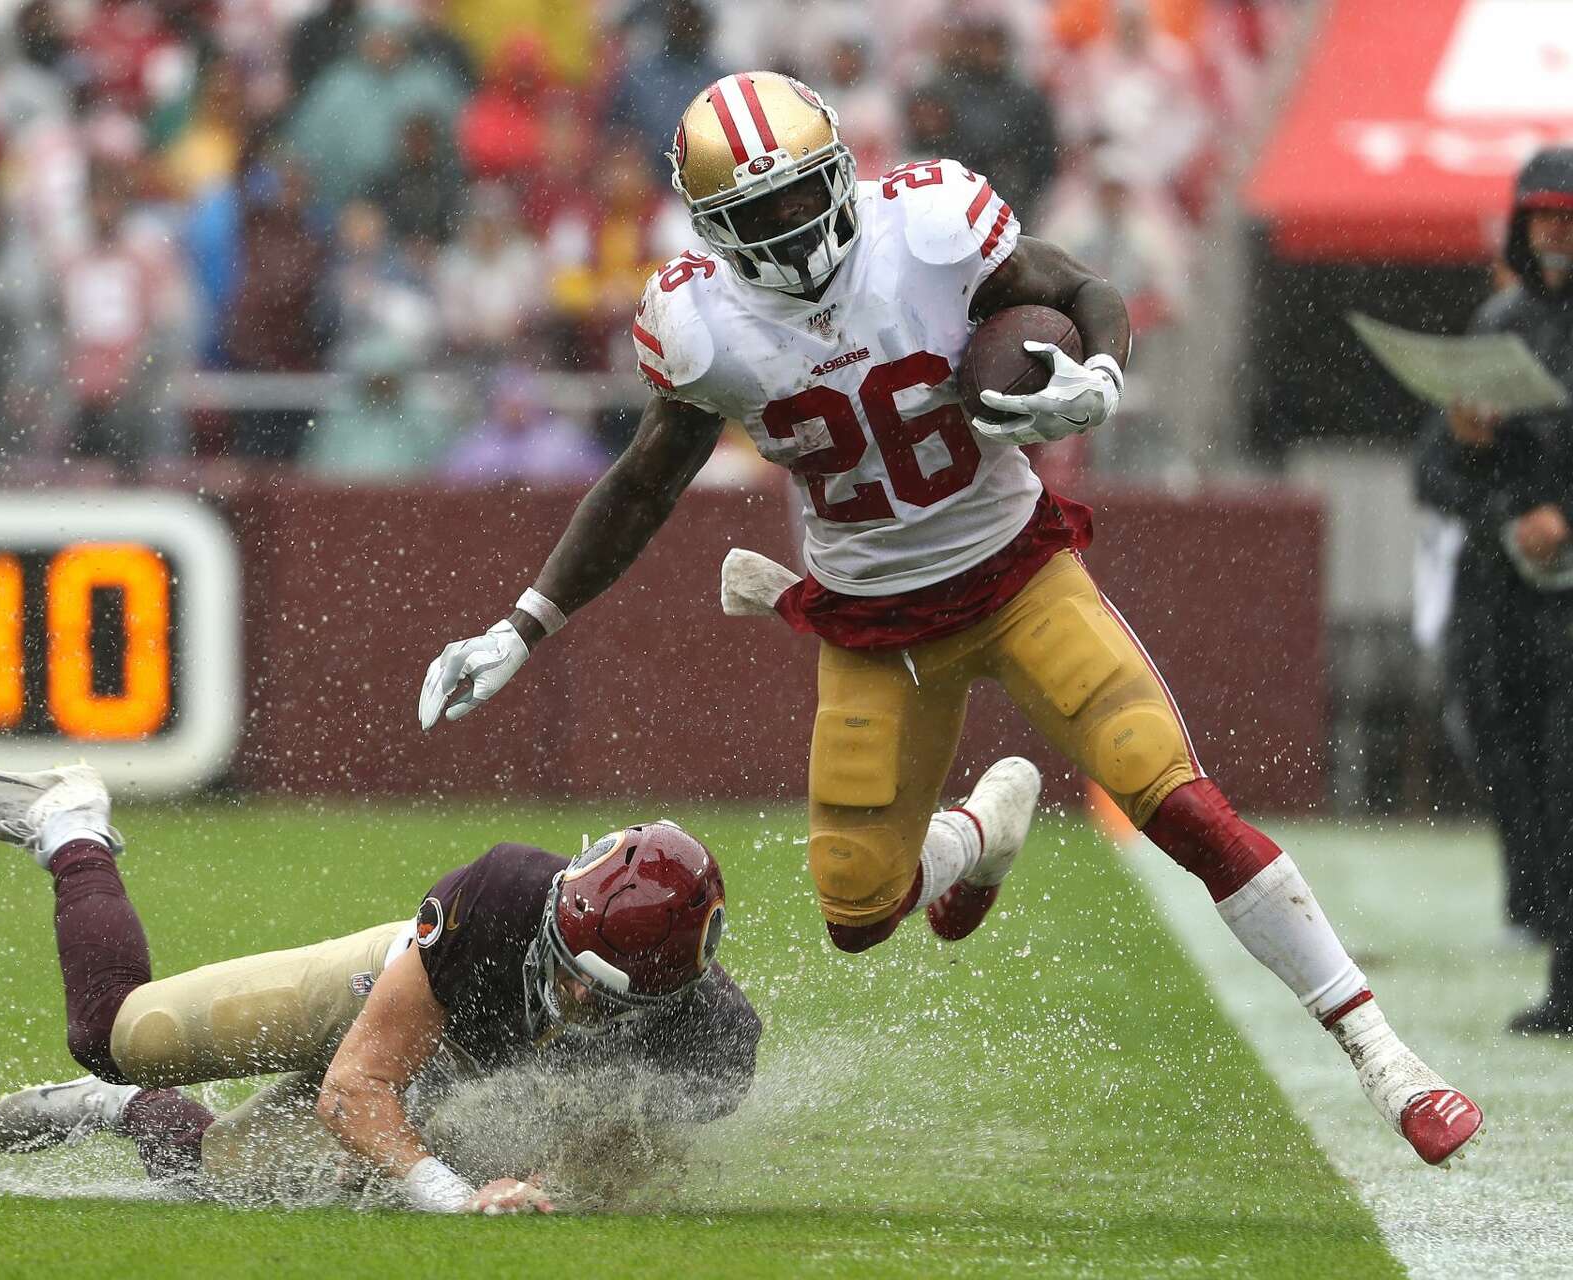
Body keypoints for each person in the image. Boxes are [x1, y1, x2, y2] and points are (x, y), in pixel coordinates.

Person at [418, 72, 1484, 1164]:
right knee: (856, 910)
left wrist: (1103, 374)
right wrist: (522, 624)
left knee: (1182, 805)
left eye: (802, 196)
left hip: (1019, 577)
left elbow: (1081, 290)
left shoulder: (929, 226)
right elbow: (641, 485)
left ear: (842, 168)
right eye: (758, 216)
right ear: (713, 232)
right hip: (876, 630)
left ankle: (1385, 1057)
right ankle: (977, 835)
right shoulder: (702, 324)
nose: (791, 230)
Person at [0, 766, 758, 1212]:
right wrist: (448, 1193)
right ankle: (68, 824)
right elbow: (358, 1084)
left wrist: (527, 1182)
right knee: (118, 1037)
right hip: (383, 992)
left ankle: (112, 1112)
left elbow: (607, 1163)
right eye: (568, 969)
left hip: (477, 1089)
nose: (574, 1001)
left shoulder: (712, 1048)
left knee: (220, 1175)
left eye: (602, 1000)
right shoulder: (502, 897)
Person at [1416, 146, 1573, 1035]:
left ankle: (1566, 965)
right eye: (1541, 215)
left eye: (1567, 216)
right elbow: (1432, 472)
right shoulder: (1496, 322)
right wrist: (1474, 458)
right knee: (1509, 758)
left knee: (1568, 777)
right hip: (1501, 592)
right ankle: (1549, 928)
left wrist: (1566, 518)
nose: (1554, 233)